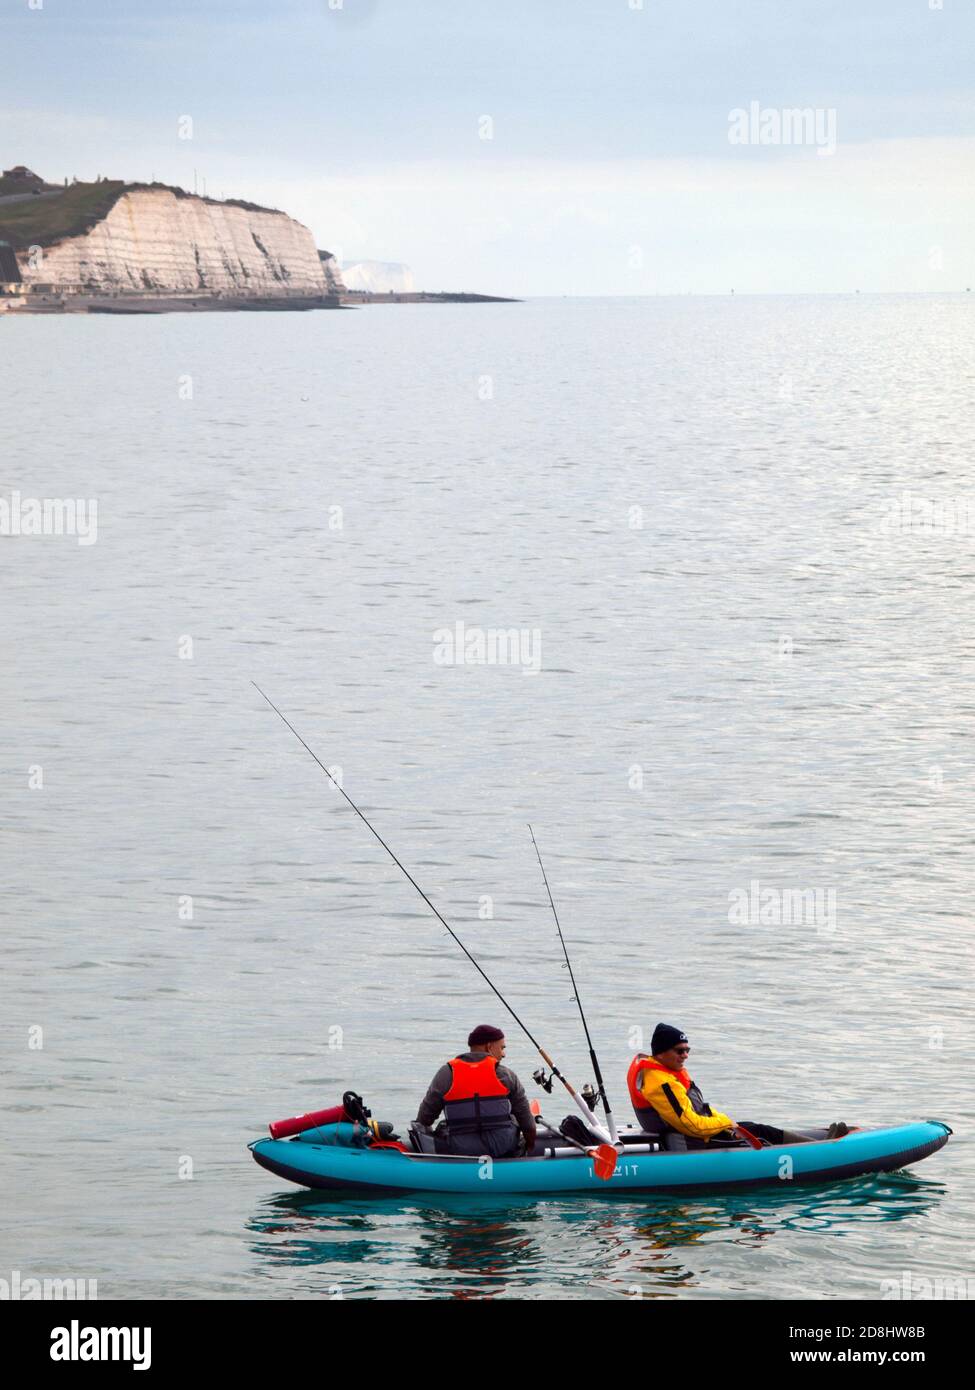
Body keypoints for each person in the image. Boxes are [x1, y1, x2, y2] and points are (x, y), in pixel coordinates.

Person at [627, 1023, 850, 1149]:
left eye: (687, 1050)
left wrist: (723, 1121)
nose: (685, 1055)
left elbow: (698, 1109)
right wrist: (724, 1123)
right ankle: (822, 1150)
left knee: (756, 1127)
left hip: (696, 1133)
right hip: (692, 1141)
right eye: (680, 1051)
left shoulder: (665, 1072)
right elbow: (690, 1125)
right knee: (758, 1136)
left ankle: (821, 1144)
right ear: (662, 1052)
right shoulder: (662, 1083)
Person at [415, 1024, 538, 1157]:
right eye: (502, 1048)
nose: (503, 1054)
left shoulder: (446, 1073)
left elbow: (424, 1118)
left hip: (459, 1149)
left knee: (443, 1126)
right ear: (489, 1046)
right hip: (501, 1147)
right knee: (514, 1118)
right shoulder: (506, 1075)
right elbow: (529, 1126)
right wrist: (530, 1147)